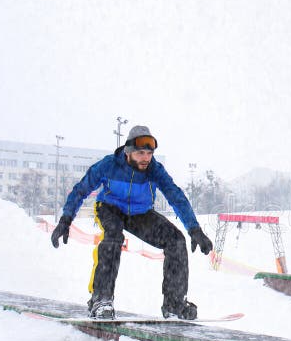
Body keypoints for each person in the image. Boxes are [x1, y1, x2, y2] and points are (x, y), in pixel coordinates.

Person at [50, 125, 212, 319]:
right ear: (128, 151)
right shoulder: (109, 165)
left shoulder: (155, 170)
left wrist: (194, 229)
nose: (145, 158)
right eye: (140, 153)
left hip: (139, 213)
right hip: (110, 208)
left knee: (175, 240)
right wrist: (65, 220)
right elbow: (80, 190)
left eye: (149, 153)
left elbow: (176, 196)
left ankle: (174, 304)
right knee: (113, 237)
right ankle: (101, 299)